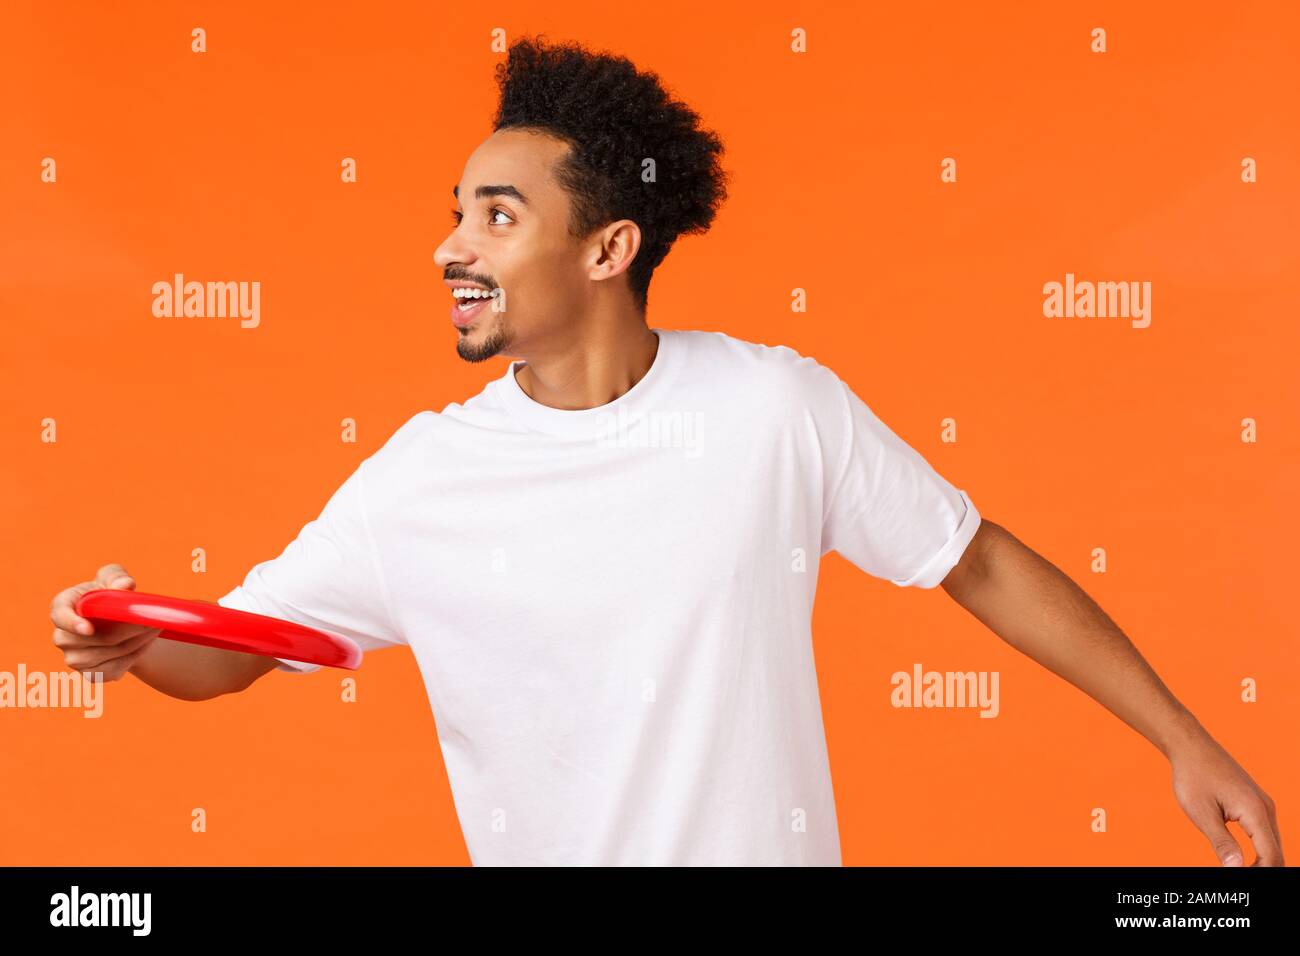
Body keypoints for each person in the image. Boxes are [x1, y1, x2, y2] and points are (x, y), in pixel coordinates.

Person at [49, 35, 1282, 868]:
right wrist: (134, 637)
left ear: (607, 248)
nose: (447, 246)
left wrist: (1183, 735)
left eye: (497, 212)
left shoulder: (773, 409)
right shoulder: (419, 481)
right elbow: (233, 655)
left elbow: (977, 562)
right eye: (453, 210)